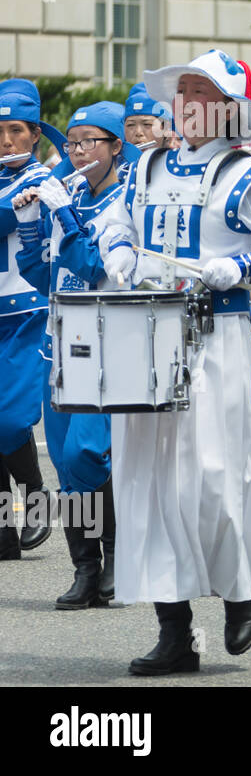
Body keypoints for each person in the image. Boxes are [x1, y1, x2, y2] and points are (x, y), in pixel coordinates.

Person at [94, 49, 251, 674]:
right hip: (145, 335)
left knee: (216, 474)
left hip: (216, 335)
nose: (188, 104)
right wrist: (118, 254)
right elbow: (112, 222)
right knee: (148, 480)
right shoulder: (145, 167)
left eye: (203, 94)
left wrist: (243, 266)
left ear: (228, 109)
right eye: (183, 92)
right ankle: (174, 630)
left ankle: (241, 590)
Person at [13, 102, 140, 605]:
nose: (79, 151)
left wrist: (61, 212)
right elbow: (44, 274)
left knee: (85, 453)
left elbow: (98, 269)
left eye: (91, 141)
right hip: (60, 345)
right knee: (69, 470)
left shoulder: (124, 201)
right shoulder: (67, 194)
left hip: (108, 345)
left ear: (116, 147)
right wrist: (29, 223)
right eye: (72, 143)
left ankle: (116, 555)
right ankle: (87, 569)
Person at [0, 80, 59, 560]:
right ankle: (3, 528)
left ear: (34, 134)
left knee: (11, 418)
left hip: (25, 314)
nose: (5, 140)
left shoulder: (42, 179)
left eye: (15, 130)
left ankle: (36, 492)